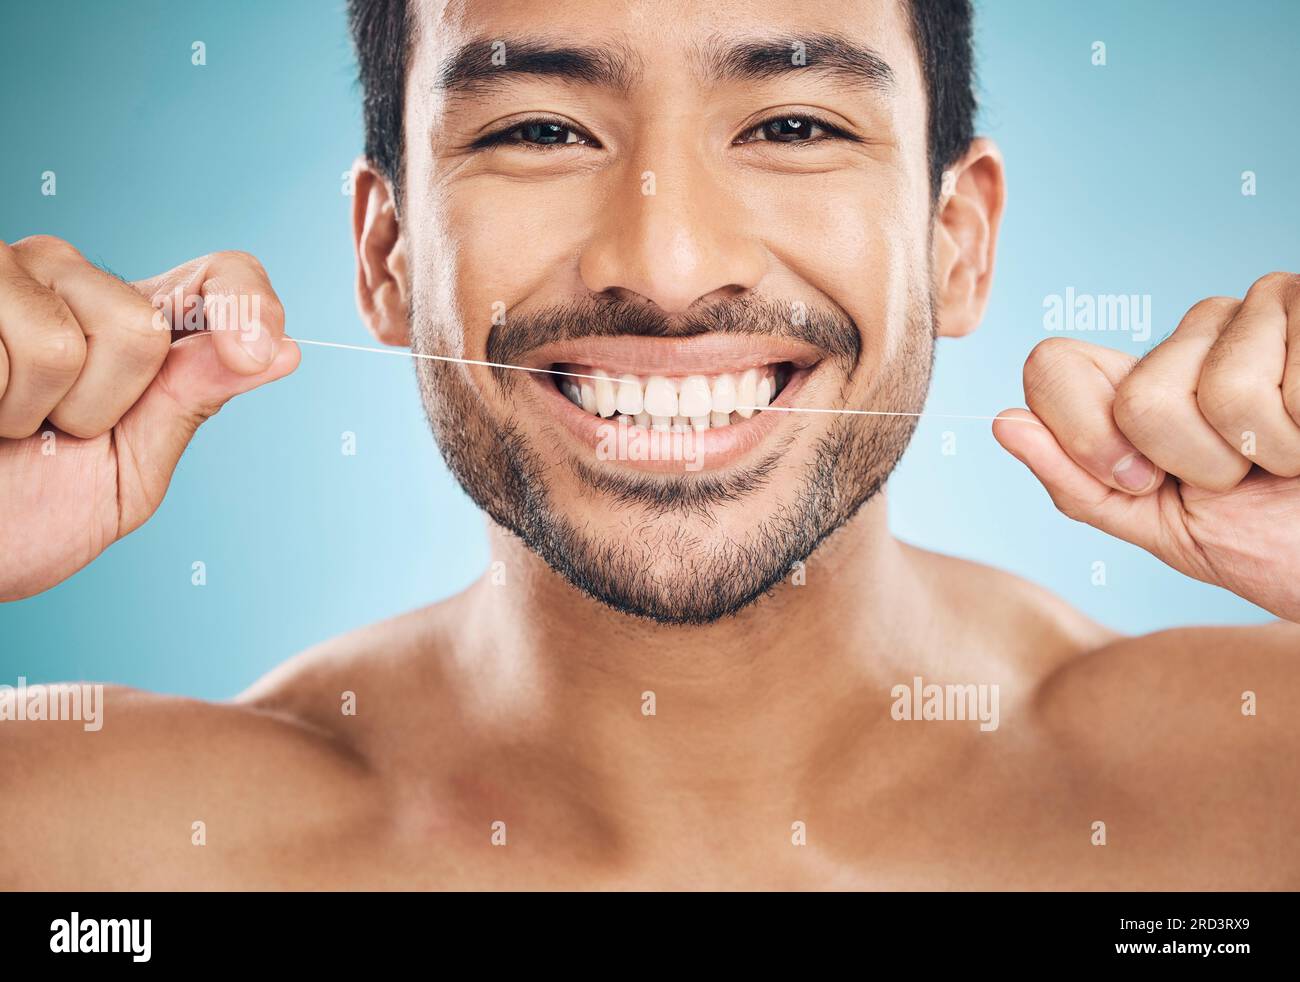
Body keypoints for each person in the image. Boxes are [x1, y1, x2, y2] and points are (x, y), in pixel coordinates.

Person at [1, 0, 1296, 890]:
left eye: (793, 126)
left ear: (957, 242)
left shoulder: (1257, 792)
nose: (669, 269)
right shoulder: (91, 845)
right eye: (537, 132)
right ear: (385, 259)